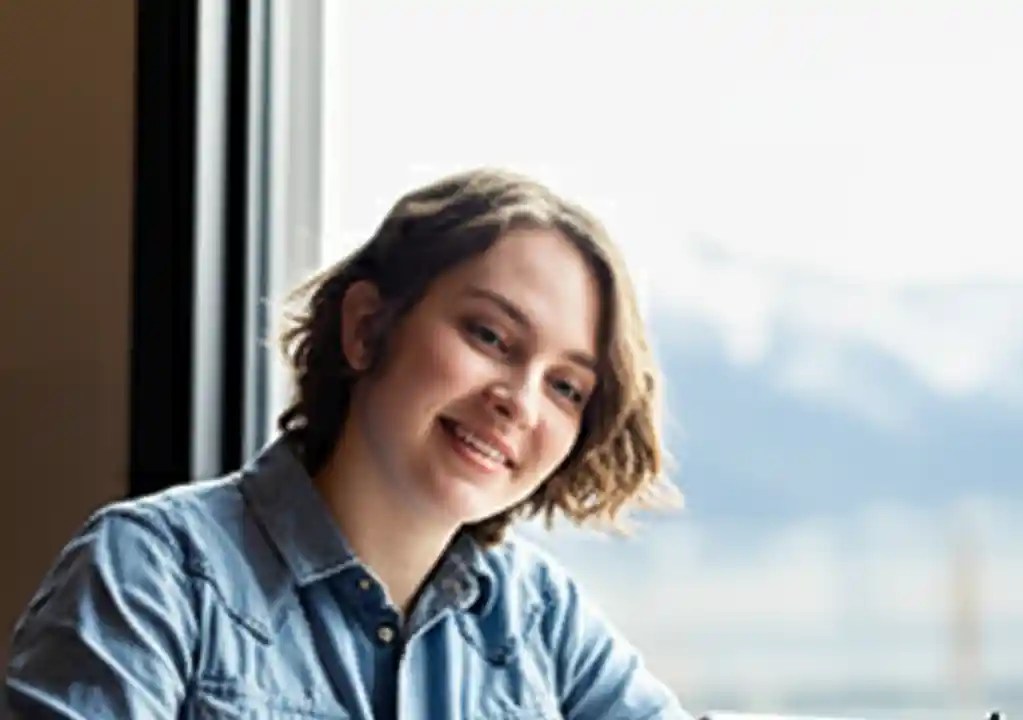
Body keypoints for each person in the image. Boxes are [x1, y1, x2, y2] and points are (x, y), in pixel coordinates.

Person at [7, 169, 692, 719]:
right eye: (489, 336)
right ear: (366, 328)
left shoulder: (542, 618)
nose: (519, 398)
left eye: (566, 387)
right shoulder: (152, 573)